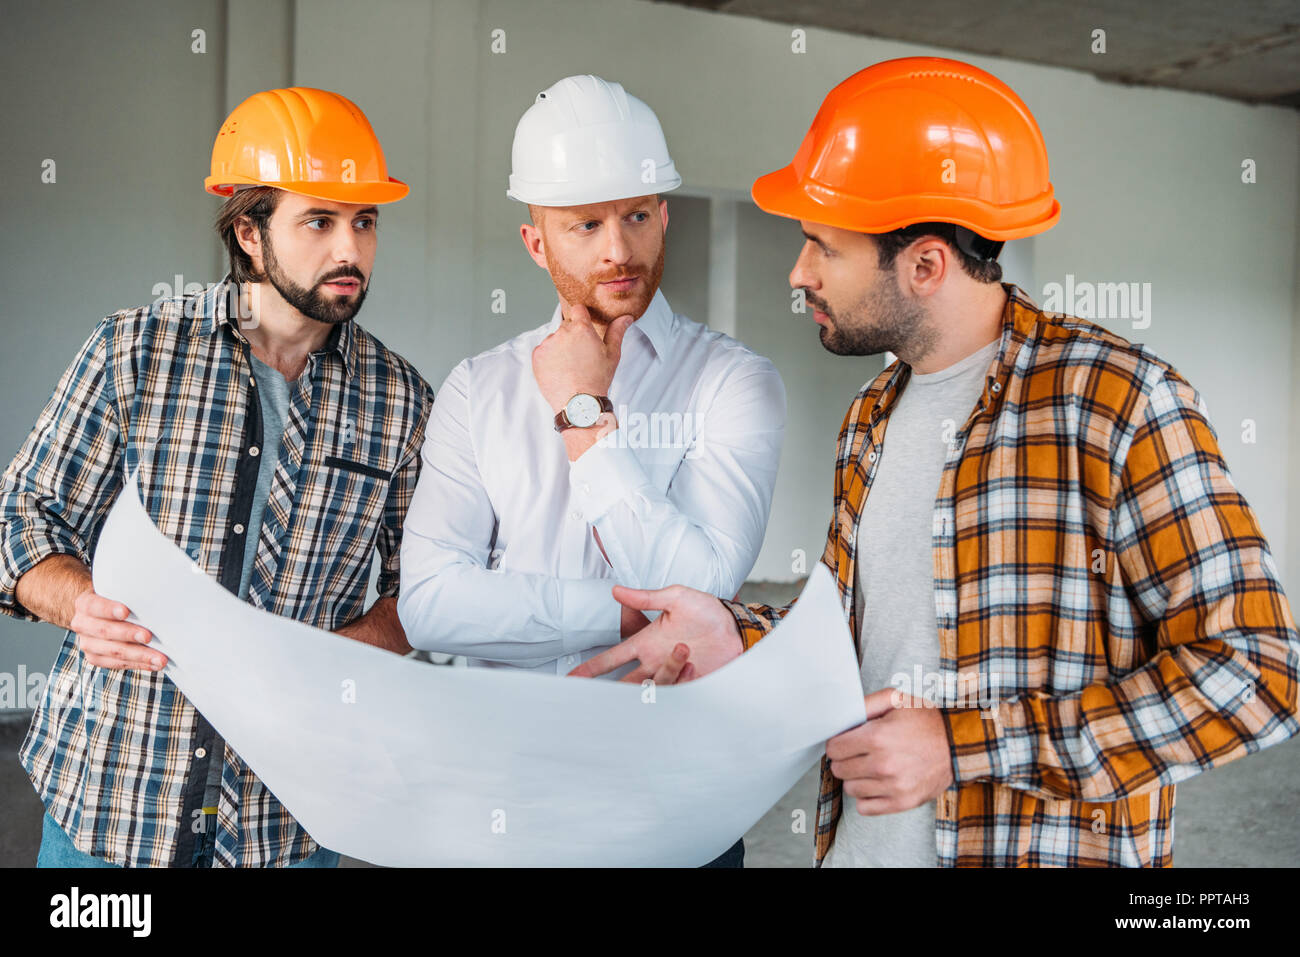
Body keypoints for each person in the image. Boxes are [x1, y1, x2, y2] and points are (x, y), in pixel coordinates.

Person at [572, 57, 1300, 867]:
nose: (799, 273)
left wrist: (963, 746)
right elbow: (853, 634)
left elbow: (1259, 672)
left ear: (924, 265)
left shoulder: (1117, 403)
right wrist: (737, 633)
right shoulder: (871, 417)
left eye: (823, 247)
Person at [0, 87, 435, 867]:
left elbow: (429, 592)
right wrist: (81, 604)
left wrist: (329, 658)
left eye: (365, 222)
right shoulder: (133, 352)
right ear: (249, 231)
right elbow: (19, 517)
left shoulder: (401, 401)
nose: (351, 249)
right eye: (320, 221)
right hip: (113, 800)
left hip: (288, 819)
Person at [396, 75, 786, 868]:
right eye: (585, 225)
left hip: (676, 810)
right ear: (536, 243)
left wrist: (584, 415)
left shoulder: (733, 380)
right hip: (508, 807)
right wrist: (631, 619)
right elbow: (431, 605)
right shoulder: (479, 388)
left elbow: (703, 584)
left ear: (664, 215)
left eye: (637, 215)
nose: (618, 250)